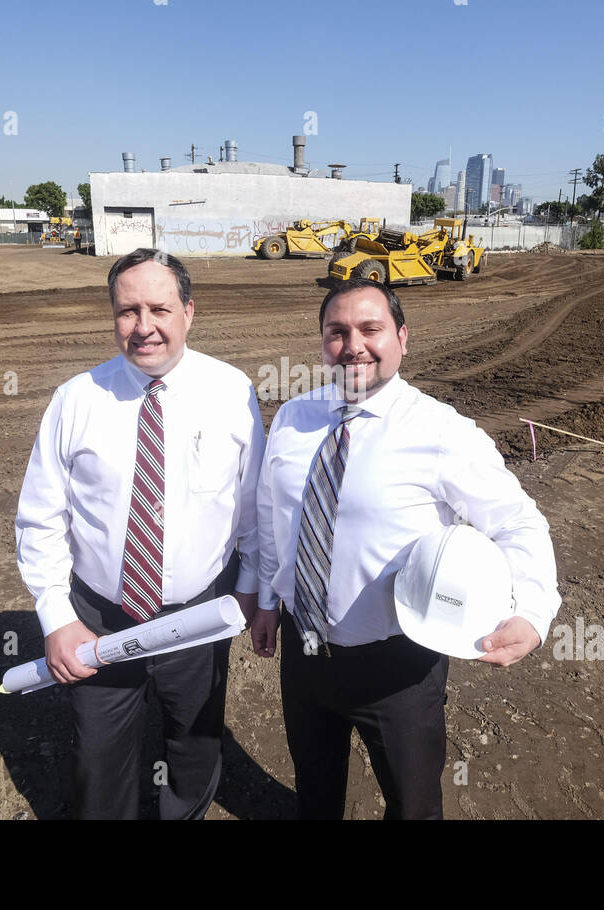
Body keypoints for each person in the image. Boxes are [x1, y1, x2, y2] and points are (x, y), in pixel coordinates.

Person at [251, 278, 559, 819]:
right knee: (315, 793)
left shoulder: (441, 432)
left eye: (370, 329)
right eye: (337, 332)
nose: (353, 346)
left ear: (402, 338)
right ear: (322, 342)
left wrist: (533, 612)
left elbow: (517, 521)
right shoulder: (294, 419)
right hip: (305, 653)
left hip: (399, 666)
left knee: (413, 804)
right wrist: (267, 600)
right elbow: (273, 516)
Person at [15, 247, 264, 819]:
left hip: (198, 615)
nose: (144, 326)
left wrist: (251, 585)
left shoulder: (231, 390)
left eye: (160, 309)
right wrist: (56, 617)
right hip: (99, 618)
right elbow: (40, 517)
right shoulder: (76, 399)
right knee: (100, 757)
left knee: (195, 742)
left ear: (189, 312)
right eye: (128, 311)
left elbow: (253, 504)